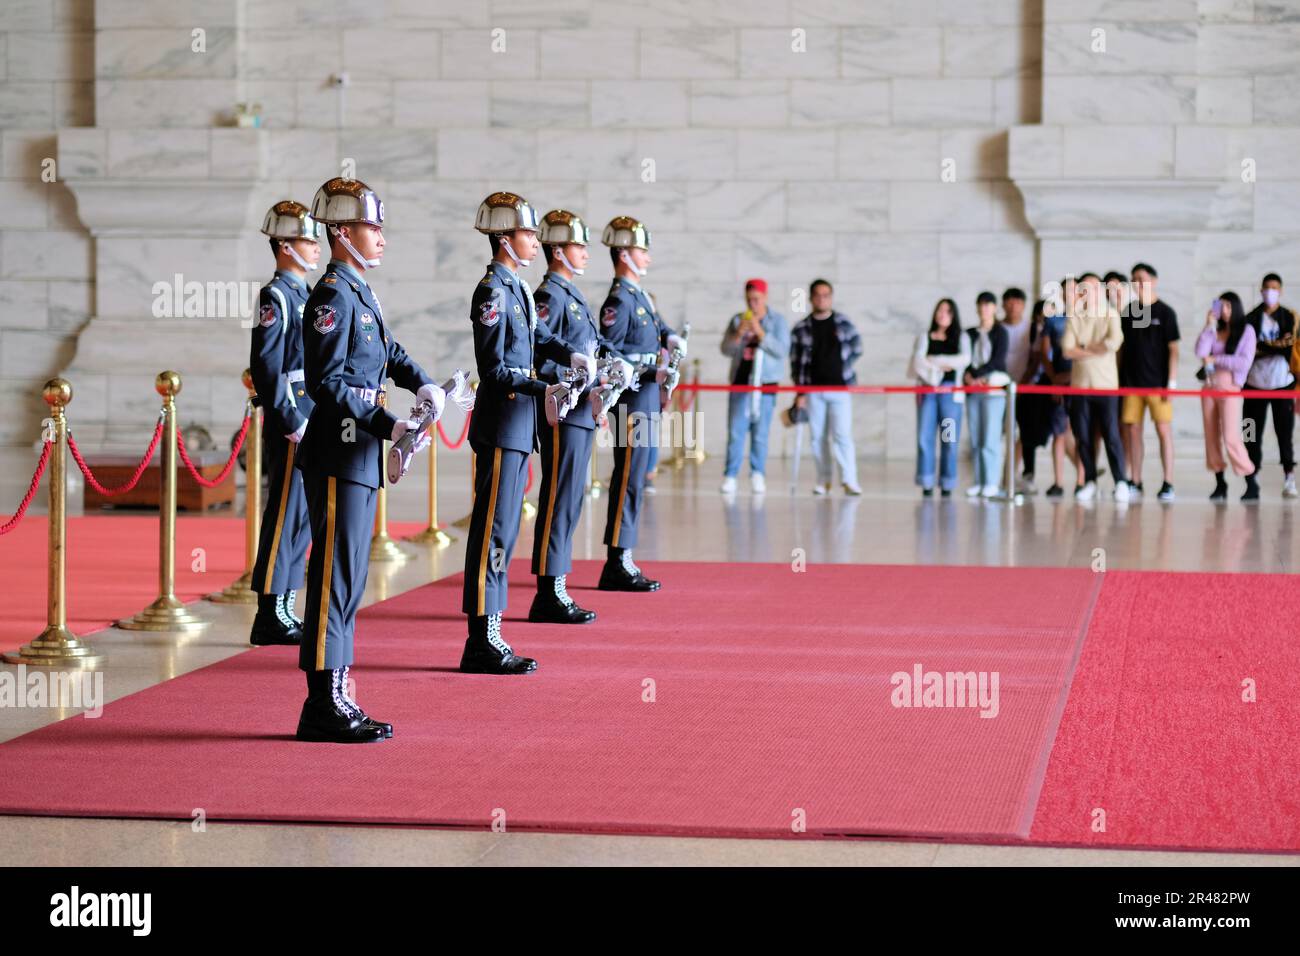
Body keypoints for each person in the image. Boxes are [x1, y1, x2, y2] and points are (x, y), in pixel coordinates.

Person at [295, 177, 449, 743]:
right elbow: (328, 384)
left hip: (356, 455)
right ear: (341, 231)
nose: (381, 237)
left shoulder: (358, 290)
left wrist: (423, 383)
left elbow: (387, 351)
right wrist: (392, 423)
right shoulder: (332, 297)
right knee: (335, 577)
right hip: (337, 453)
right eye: (371, 226)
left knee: (351, 577)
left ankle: (337, 692)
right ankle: (322, 704)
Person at [463, 192, 592, 670]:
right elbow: (495, 369)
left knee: (506, 531)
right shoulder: (492, 292)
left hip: (519, 428)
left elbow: (537, 338)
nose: (536, 242)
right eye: (528, 234)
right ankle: (482, 636)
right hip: (501, 425)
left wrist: (568, 354)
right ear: (503, 238)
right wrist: (546, 385)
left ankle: (493, 630)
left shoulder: (513, 287)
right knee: (493, 532)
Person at [529, 210, 630, 624]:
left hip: (582, 408)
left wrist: (611, 370)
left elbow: (591, 344)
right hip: (564, 409)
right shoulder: (550, 296)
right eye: (578, 246)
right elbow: (542, 349)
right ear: (558, 251)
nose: (586, 253)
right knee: (558, 496)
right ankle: (548, 590)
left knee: (570, 497)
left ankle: (557, 583)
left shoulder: (570, 292)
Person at [598, 216, 687, 591]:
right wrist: (649, 369)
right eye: (641, 250)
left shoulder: (640, 297)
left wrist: (671, 339)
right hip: (632, 401)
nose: (647, 258)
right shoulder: (619, 300)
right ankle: (617, 559)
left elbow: (659, 329)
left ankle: (625, 553)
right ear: (623, 255)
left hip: (648, 397)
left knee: (638, 474)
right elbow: (608, 352)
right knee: (629, 475)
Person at [248, 200, 320, 647]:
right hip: (292, 415)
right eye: (307, 241)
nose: (315, 249)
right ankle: (269, 610)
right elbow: (267, 366)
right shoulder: (275, 296)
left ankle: (287, 605)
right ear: (284, 246)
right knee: (285, 512)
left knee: (303, 517)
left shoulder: (307, 296)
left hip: (311, 413)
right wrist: (289, 416)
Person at [1063, 273, 1129, 502]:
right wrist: (1094, 349)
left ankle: (1121, 481)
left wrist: (1084, 347)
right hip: (1080, 387)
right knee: (1083, 436)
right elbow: (1066, 349)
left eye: (1093, 287)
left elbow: (1114, 342)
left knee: (1112, 435)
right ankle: (1089, 480)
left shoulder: (1110, 314)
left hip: (1106, 386)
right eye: (1084, 288)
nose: (1088, 292)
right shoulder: (1075, 317)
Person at [1118, 262, 1179, 501]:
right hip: (1131, 384)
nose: (1138, 284)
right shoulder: (1129, 311)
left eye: (1141, 279)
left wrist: (1171, 383)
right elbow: (1122, 349)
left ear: (1154, 281)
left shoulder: (1166, 312)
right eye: (1134, 280)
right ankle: (1136, 479)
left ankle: (1168, 482)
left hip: (1158, 385)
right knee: (1133, 431)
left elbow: (1173, 349)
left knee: (1163, 430)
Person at [1196, 291, 1259, 501]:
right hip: (1209, 387)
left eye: (1227, 306)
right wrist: (1208, 326)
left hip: (1230, 388)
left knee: (1231, 437)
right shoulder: (1215, 330)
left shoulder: (1246, 331)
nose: (1223, 310)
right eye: (1220, 305)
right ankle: (1219, 483)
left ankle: (1250, 479)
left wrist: (1216, 359)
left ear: (1235, 307)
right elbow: (1200, 352)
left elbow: (1243, 362)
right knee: (1211, 437)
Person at [1242, 273, 1297, 499]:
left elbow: (1288, 345)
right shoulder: (1251, 317)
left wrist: (1262, 347)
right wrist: (1271, 347)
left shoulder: (1290, 317)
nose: (1270, 292)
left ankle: (1289, 476)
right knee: (1250, 430)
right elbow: (1246, 348)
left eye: (1274, 288)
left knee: (1285, 431)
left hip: (1281, 383)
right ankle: (1251, 476)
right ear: (1261, 290)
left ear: (1281, 290)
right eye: (1266, 288)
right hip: (1254, 384)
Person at [911, 298, 969, 497]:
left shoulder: (961, 338)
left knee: (949, 439)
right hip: (928, 392)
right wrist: (941, 366)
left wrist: (933, 360)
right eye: (940, 310)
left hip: (950, 394)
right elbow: (918, 362)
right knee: (924, 437)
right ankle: (926, 481)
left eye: (947, 311)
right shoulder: (925, 337)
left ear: (953, 316)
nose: (943, 314)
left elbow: (963, 360)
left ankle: (947, 482)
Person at [963, 292, 1010, 498]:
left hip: (993, 389)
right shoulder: (970, 333)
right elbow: (965, 357)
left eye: (988, 305)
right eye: (981, 305)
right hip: (973, 390)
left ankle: (991, 481)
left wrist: (977, 375)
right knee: (976, 437)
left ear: (994, 308)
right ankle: (979, 481)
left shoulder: (1001, 332)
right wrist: (969, 377)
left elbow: (998, 360)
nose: (984, 309)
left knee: (991, 437)